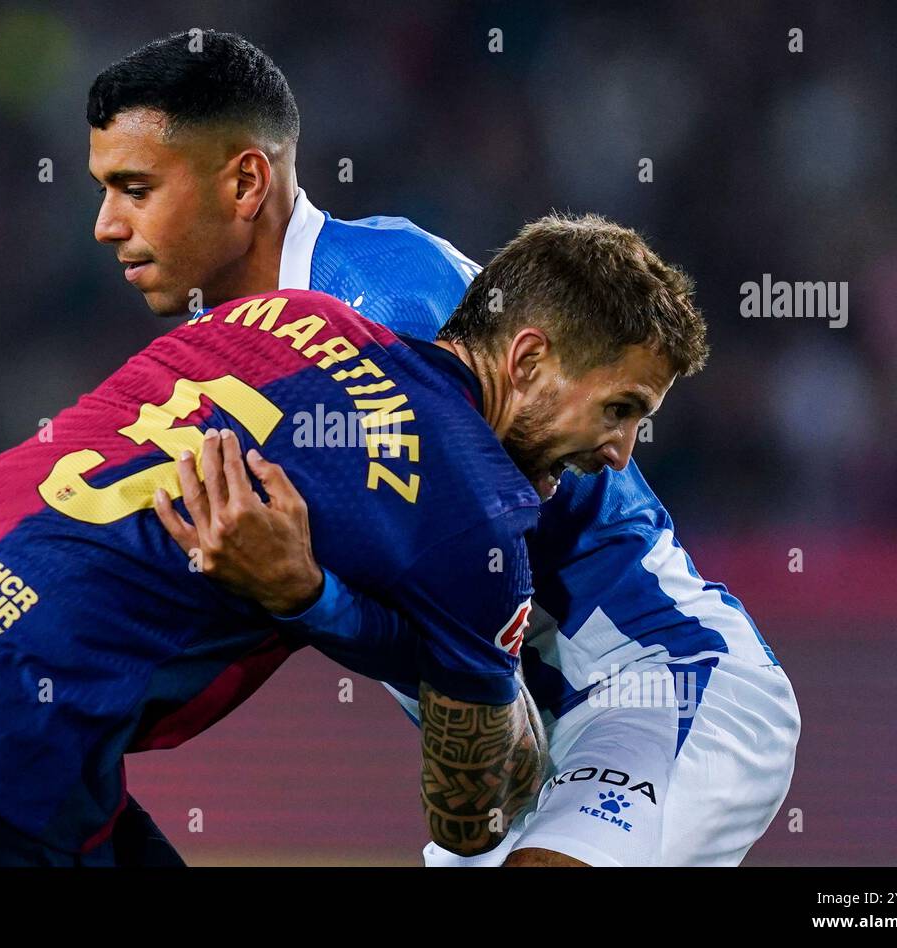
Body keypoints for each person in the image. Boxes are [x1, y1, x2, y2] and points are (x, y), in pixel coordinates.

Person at [86, 30, 799, 866]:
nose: (106, 225)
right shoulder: (231, 352)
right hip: (509, 721)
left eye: (136, 189)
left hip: (652, 672)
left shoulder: (394, 308)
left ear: (246, 182)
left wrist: (310, 598)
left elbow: (459, 586)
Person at [0, 242, 687, 863]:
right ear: (527, 359)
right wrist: (321, 605)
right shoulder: (477, 520)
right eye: (619, 409)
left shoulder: (291, 313)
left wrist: (314, 595)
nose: (620, 455)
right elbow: (473, 817)